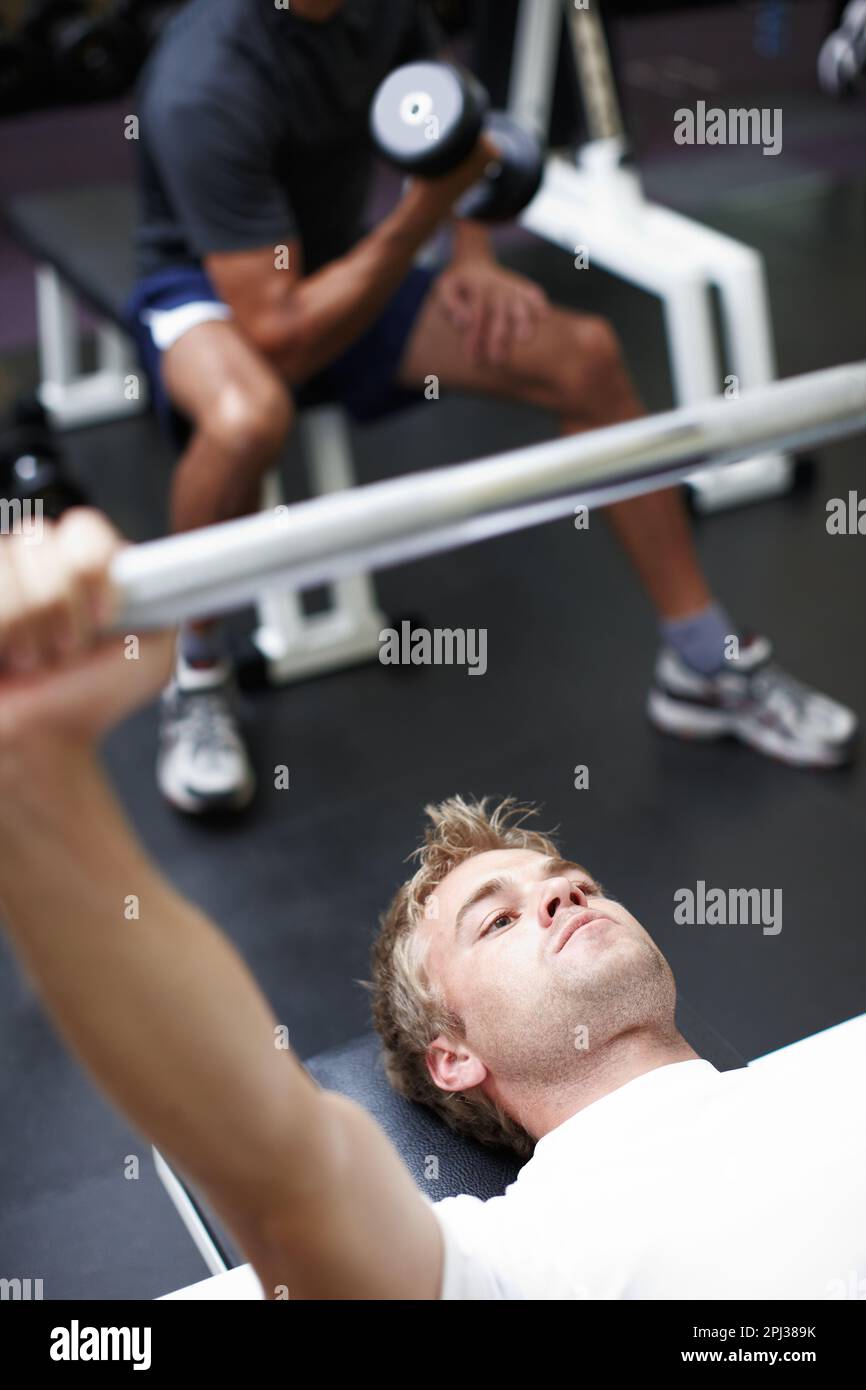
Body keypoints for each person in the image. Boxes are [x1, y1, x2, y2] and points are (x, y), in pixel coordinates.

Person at [1, 514, 863, 1299]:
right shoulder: (510, 1262)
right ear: (451, 1058)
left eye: (573, 883)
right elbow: (273, 1161)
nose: (561, 893)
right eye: (497, 919)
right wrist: (30, 764)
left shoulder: (837, 1080)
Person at [126, 0, 856, 814]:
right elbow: (281, 335)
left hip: (346, 267)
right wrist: (426, 216)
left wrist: (468, 249)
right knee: (247, 417)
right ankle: (195, 673)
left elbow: (451, 119)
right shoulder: (206, 78)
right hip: (215, 300)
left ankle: (701, 660)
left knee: (581, 357)